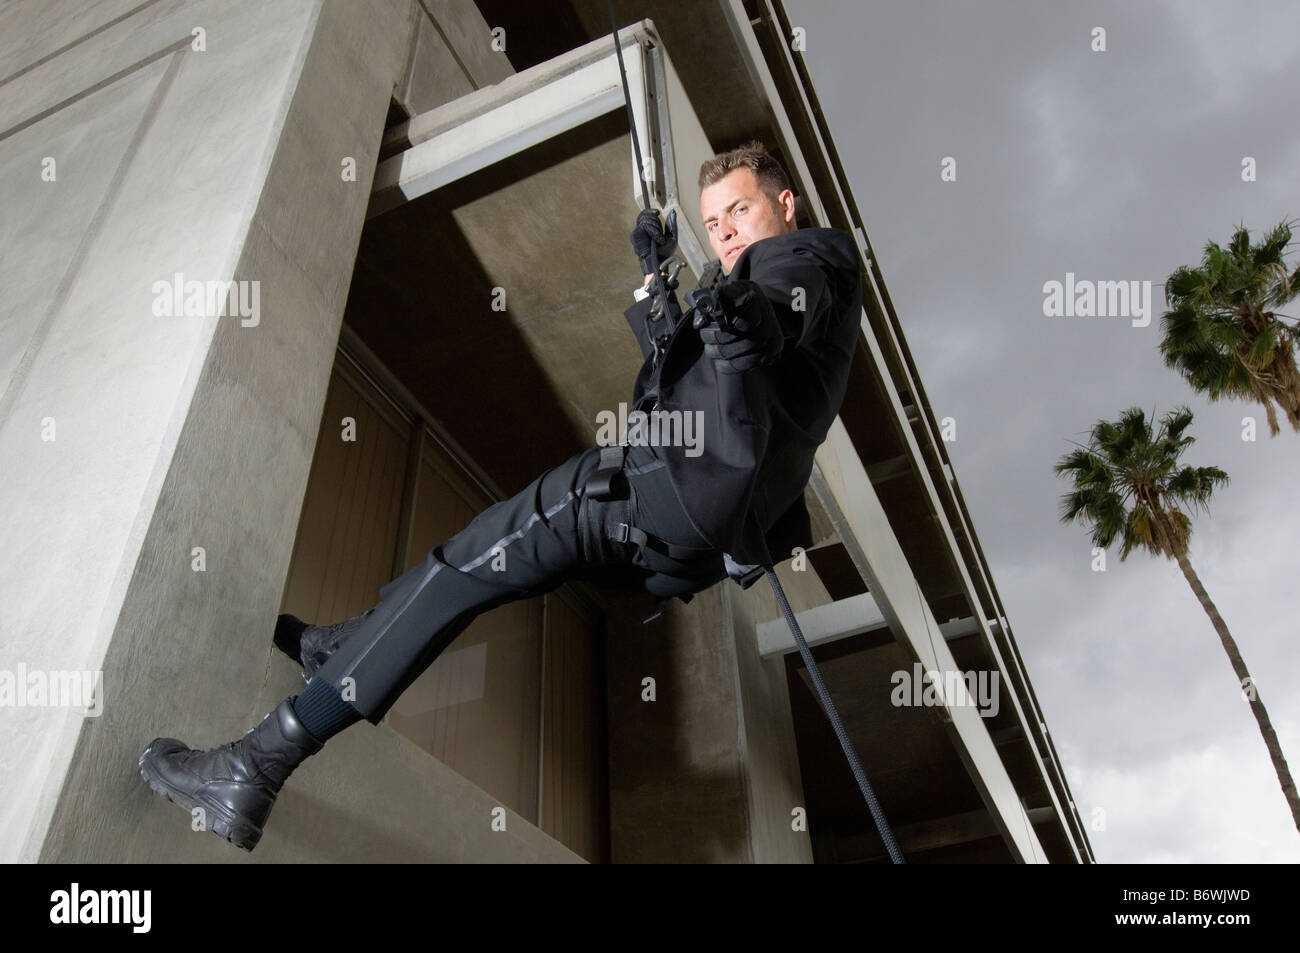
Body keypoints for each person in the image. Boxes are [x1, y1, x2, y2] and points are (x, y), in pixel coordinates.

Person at [137, 141, 863, 851]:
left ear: (785, 203)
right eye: (715, 223)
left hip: (653, 490)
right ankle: (349, 641)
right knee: (481, 560)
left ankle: (255, 765)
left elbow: (774, 313)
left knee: (465, 568)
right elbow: (703, 381)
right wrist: (654, 283)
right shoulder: (769, 280)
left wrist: (749, 319)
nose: (727, 231)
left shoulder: (806, 260)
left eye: (740, 209)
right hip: (685, 533)